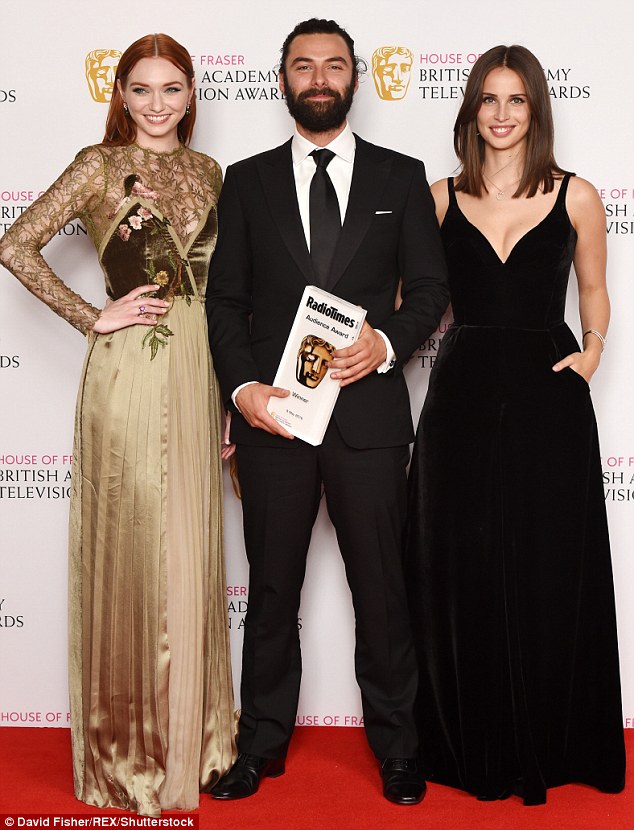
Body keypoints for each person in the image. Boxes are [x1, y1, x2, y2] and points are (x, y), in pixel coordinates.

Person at [206, 17, 448, 806]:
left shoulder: (400, 176)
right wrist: (244, 394)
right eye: (303, 65)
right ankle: (259, 746)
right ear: (282, 79)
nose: (318, 77)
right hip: (275, 423)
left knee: (382, 590)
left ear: (355, 77)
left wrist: (386, 343)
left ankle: (400, 749)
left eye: (332, 65)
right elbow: (227, 301)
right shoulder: (245, 181)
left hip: (368, 421)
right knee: (271, 592)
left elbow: (433, 291)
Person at [0, 34, 236, 816]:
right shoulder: (98, 165)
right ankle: (130, 750)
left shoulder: (210, 173)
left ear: (192, 93)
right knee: (138, 544)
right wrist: (90, 315)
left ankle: (198, 738)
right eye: (143, 89)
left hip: (200, 369)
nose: (159, 104)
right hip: (131, 371)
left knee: (190, 547)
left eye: (174, 89)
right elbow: (15, 244)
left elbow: (227, 287)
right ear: (122, 95)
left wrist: (236, 392)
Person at [404, 44, 626, 805]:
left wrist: (592, 354)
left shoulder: (578, 195)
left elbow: (594, 290)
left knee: (548, 567)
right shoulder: (435, 198)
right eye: (489, 101)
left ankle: (553, 739)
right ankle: (470, 741)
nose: (502, 115)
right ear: (471, 111)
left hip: (547, 397)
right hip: (460, 396)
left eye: (517, 101)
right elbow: (406, 305)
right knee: (459, 565)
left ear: (537, 109)